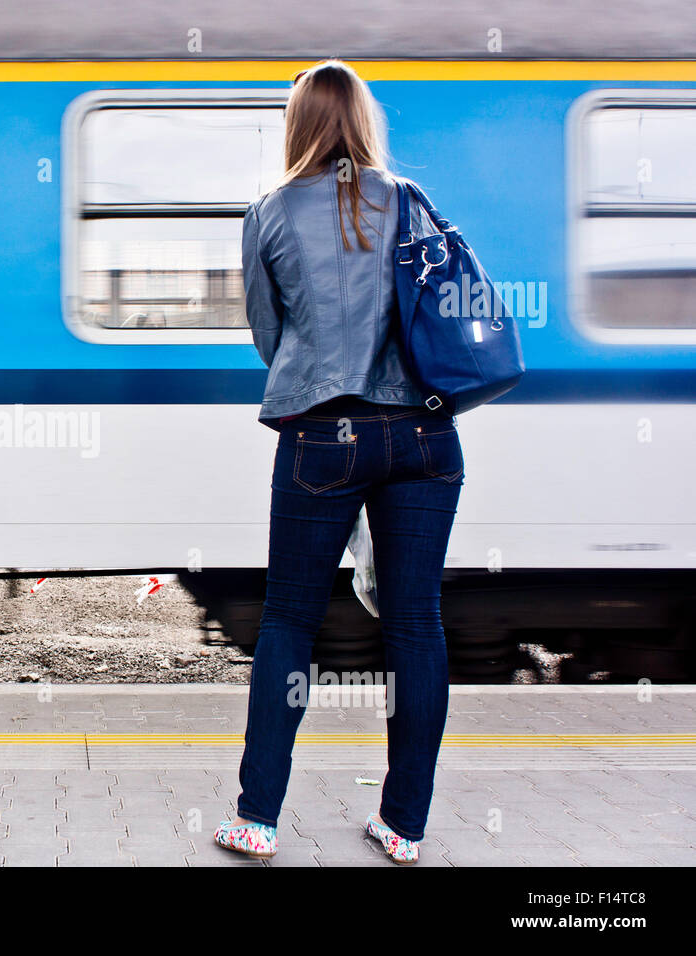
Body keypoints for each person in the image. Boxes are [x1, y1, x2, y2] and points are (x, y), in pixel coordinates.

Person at [213, 60, 464, 865]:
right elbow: (444, 312)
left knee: (290, 620)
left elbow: (267, 334)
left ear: (296, 125)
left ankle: (256, 821)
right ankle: (403, 827)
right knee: (416, 624)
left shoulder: (269, 212)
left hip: (324, 435)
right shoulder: (412, 201)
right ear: (364, 120)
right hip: (424, 436)